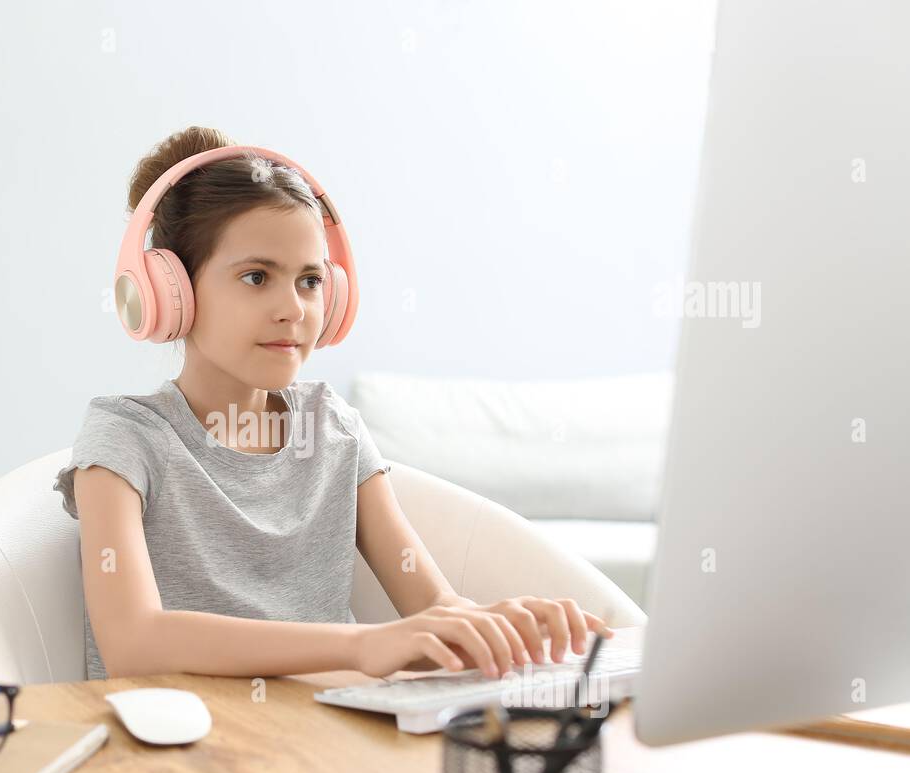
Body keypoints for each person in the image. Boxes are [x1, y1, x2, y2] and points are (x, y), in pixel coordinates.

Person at [54, 125, 612, 681]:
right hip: (180, 754)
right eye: (256, 277)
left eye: (310, 281)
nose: (293, 309)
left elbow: (434, 607)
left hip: (321, 740)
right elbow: (134, 642)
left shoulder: (333, 428)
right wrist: (359, 646)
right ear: (169, 291)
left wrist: (505, 626)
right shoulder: (124, 438)